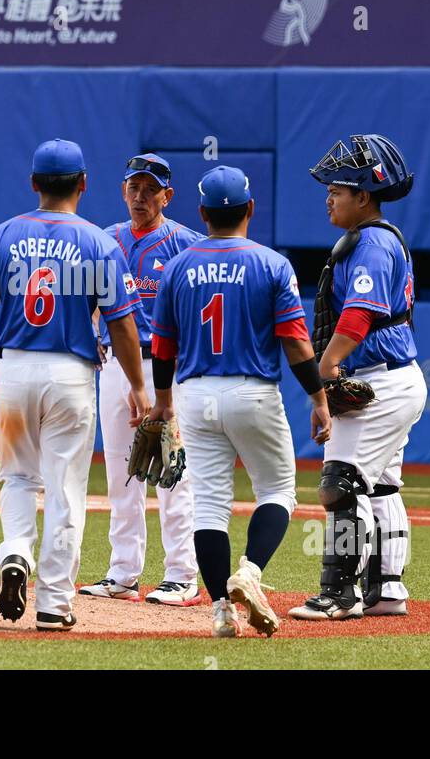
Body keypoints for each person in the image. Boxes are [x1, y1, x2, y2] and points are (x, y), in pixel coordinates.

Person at [0, 139, 149, 631]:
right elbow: (124, 325)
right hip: (71, 374)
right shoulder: (98, 242)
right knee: (66, 488)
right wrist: (138, 385)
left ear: (33, 184)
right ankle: (54, 604)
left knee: (18, 477)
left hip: (16, 368)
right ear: (84, 185)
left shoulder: (2, 235)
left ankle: (15, 553)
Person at [148, 166, 330, 637]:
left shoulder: (178, 266)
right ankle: (249, 572)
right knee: (276, 491)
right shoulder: (271, 263)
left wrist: (162, 402)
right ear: (251, 208)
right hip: (252, 391)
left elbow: (162, 345)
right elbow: (295, 342)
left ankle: (220, 614)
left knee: (208, 506)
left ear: (202, 212)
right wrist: (319, 397)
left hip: (194, 392)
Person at [289, 133, 426, 621]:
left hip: (379, 382)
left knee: (341, 483)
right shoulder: (374, 239)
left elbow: (360, 315)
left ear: (363, 197)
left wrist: (325, 366)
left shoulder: (371, 242)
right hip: (393, 377)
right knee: (382, 485)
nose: (329, 197)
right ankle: (387, 589)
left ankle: (339, 594)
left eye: (338, 190)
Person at [78, 154, 200, 606]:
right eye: (134, 187)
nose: (140, 196)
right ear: (122, 190)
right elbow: (93, 299)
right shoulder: (106, 239)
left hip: (167, 369)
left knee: (173, 470)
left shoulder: (187, 243)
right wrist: (91, 334)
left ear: (168, 195)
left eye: (151, 189)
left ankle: (182, 575)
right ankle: (123, 573)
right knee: (121, 473)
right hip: (116, 366)